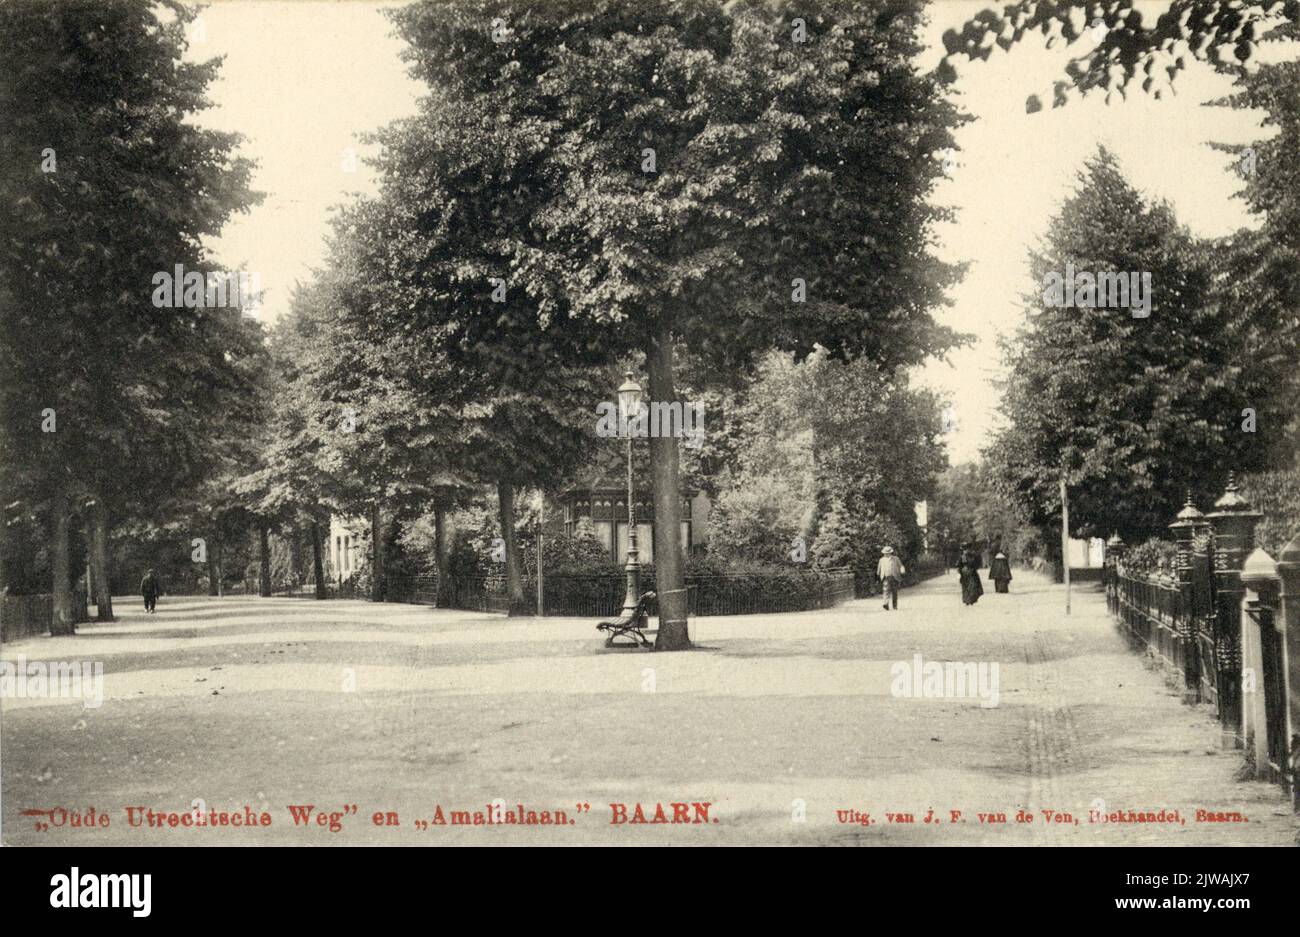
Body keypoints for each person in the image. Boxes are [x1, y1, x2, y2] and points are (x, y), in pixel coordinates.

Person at [876, 546, 906, 611]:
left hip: (894, 577)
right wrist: (878, 575)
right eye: (884, 553)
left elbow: (901, 566)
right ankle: (886, 604)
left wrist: (902, 570)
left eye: (887, 553)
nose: (886, 554)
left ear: (890, 553)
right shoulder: (881, 560)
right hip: (885, 577)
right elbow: (879, 569)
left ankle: (894, 606)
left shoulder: (896, 559)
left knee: (894, 592)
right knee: (885, 591)